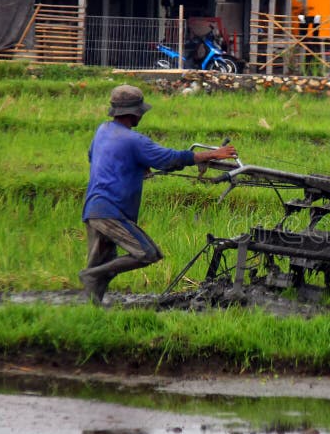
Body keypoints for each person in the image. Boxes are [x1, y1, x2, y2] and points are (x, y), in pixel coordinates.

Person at [79, 84, 237, 304]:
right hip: (111, 211)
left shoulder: (103, 130)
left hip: (93, 207)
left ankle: (89, 310)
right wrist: (213, 154)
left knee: (104, 262)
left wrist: (135, 165)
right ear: (135, 113)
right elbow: (169, 158)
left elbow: (94, 156)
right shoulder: (134, 141)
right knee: (147, 254)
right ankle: (90, 276)